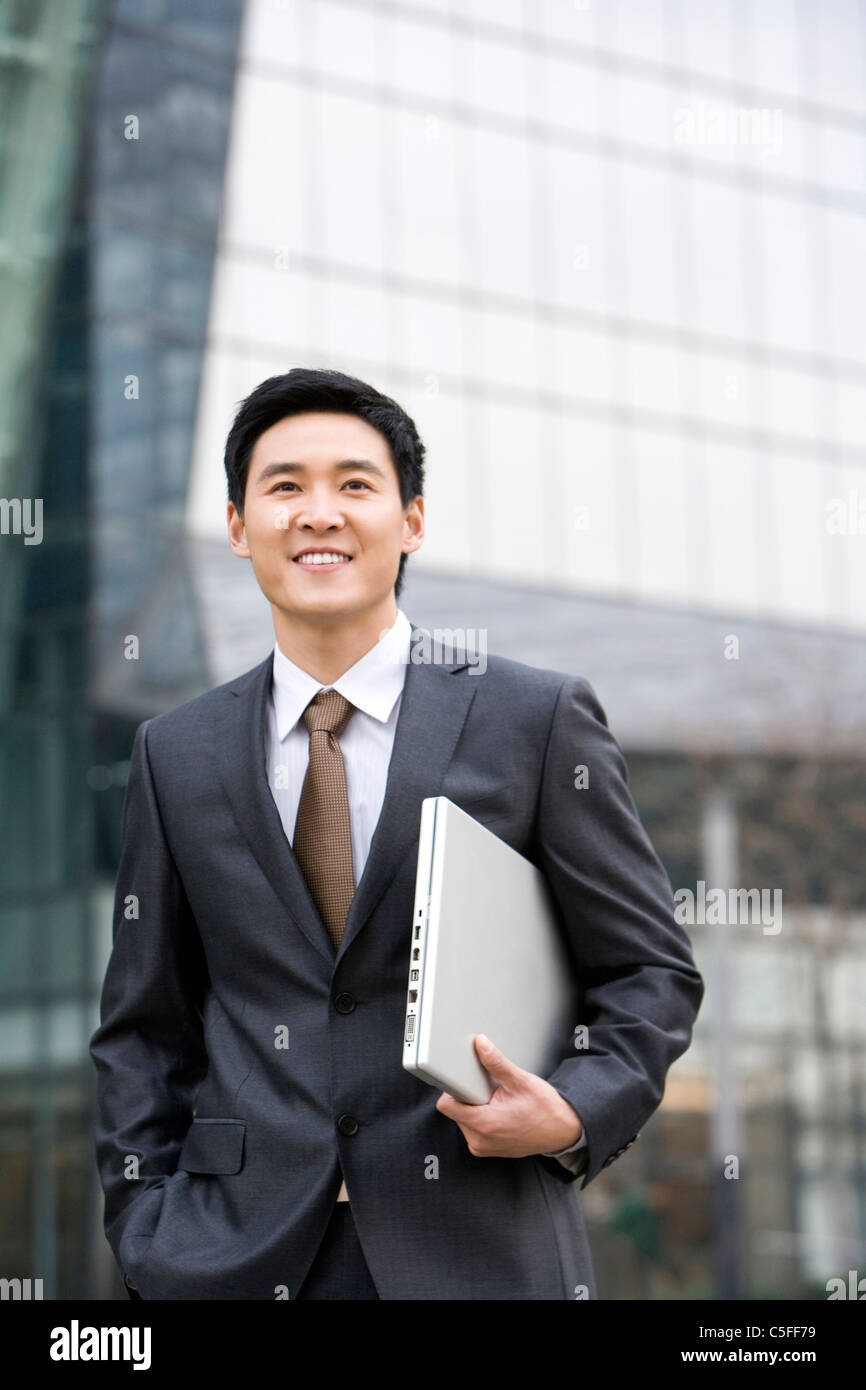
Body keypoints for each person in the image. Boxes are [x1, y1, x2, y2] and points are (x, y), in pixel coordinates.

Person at [90, 367, 704, 1300]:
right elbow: (145, 1026)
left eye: (356, 484)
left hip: (479, 1250)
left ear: (411, 520)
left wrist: (574, 1112)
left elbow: (650, 972)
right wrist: (145, 1230)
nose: (318, 512)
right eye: (285, 486)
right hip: (231, 1257)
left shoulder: (532, 719)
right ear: (236, 525)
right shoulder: (175, 752)